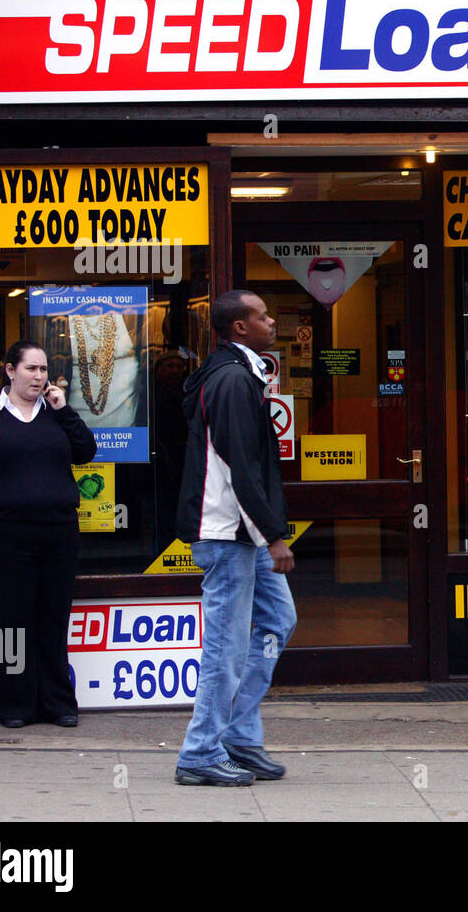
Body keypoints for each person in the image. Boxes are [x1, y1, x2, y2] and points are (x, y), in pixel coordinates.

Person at [174, 290, 296, 787]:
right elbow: (237, 466)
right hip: (228, 535)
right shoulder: (230, 380)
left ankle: (238, 735)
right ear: (240, 328)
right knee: (224, 648)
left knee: (278, 621)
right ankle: (200, 753)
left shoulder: (241, 374)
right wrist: (274, 536)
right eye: (262, 315)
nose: (271, 320)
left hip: (239, 534)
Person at [0, 341, 97, 728]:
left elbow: (85, 452)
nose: (39, 377)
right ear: (10, 370)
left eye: (44, 370)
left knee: (52, 616)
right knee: (14, 621)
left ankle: (58, 703)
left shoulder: (56, 415)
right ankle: (15, 704)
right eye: (31, 369)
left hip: (58, 533)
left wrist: (65, 411)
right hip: (4, 535)